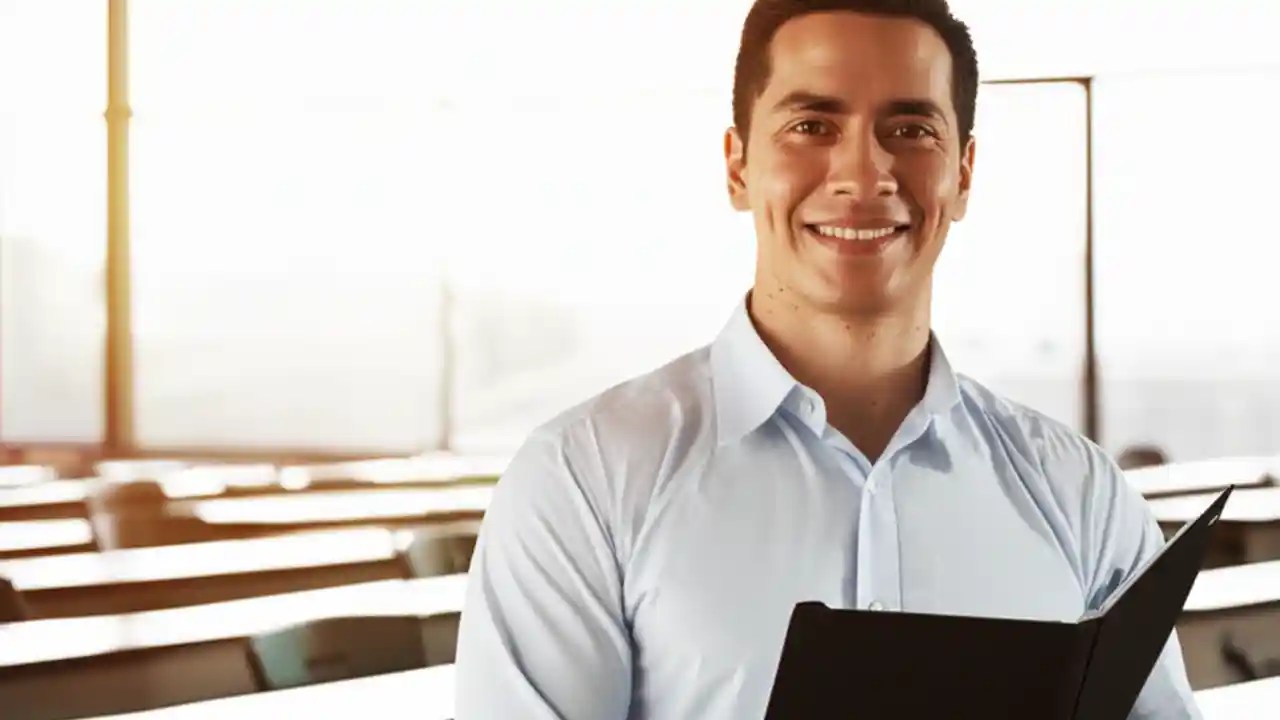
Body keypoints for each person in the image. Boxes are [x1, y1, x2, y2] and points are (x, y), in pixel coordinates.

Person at [454, 1, 1202, 717]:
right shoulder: (583, 481)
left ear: (964, 174)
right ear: (738, 167)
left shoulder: (1080, 496)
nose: (863, 175)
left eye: (910, 129)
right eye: (812, 126)